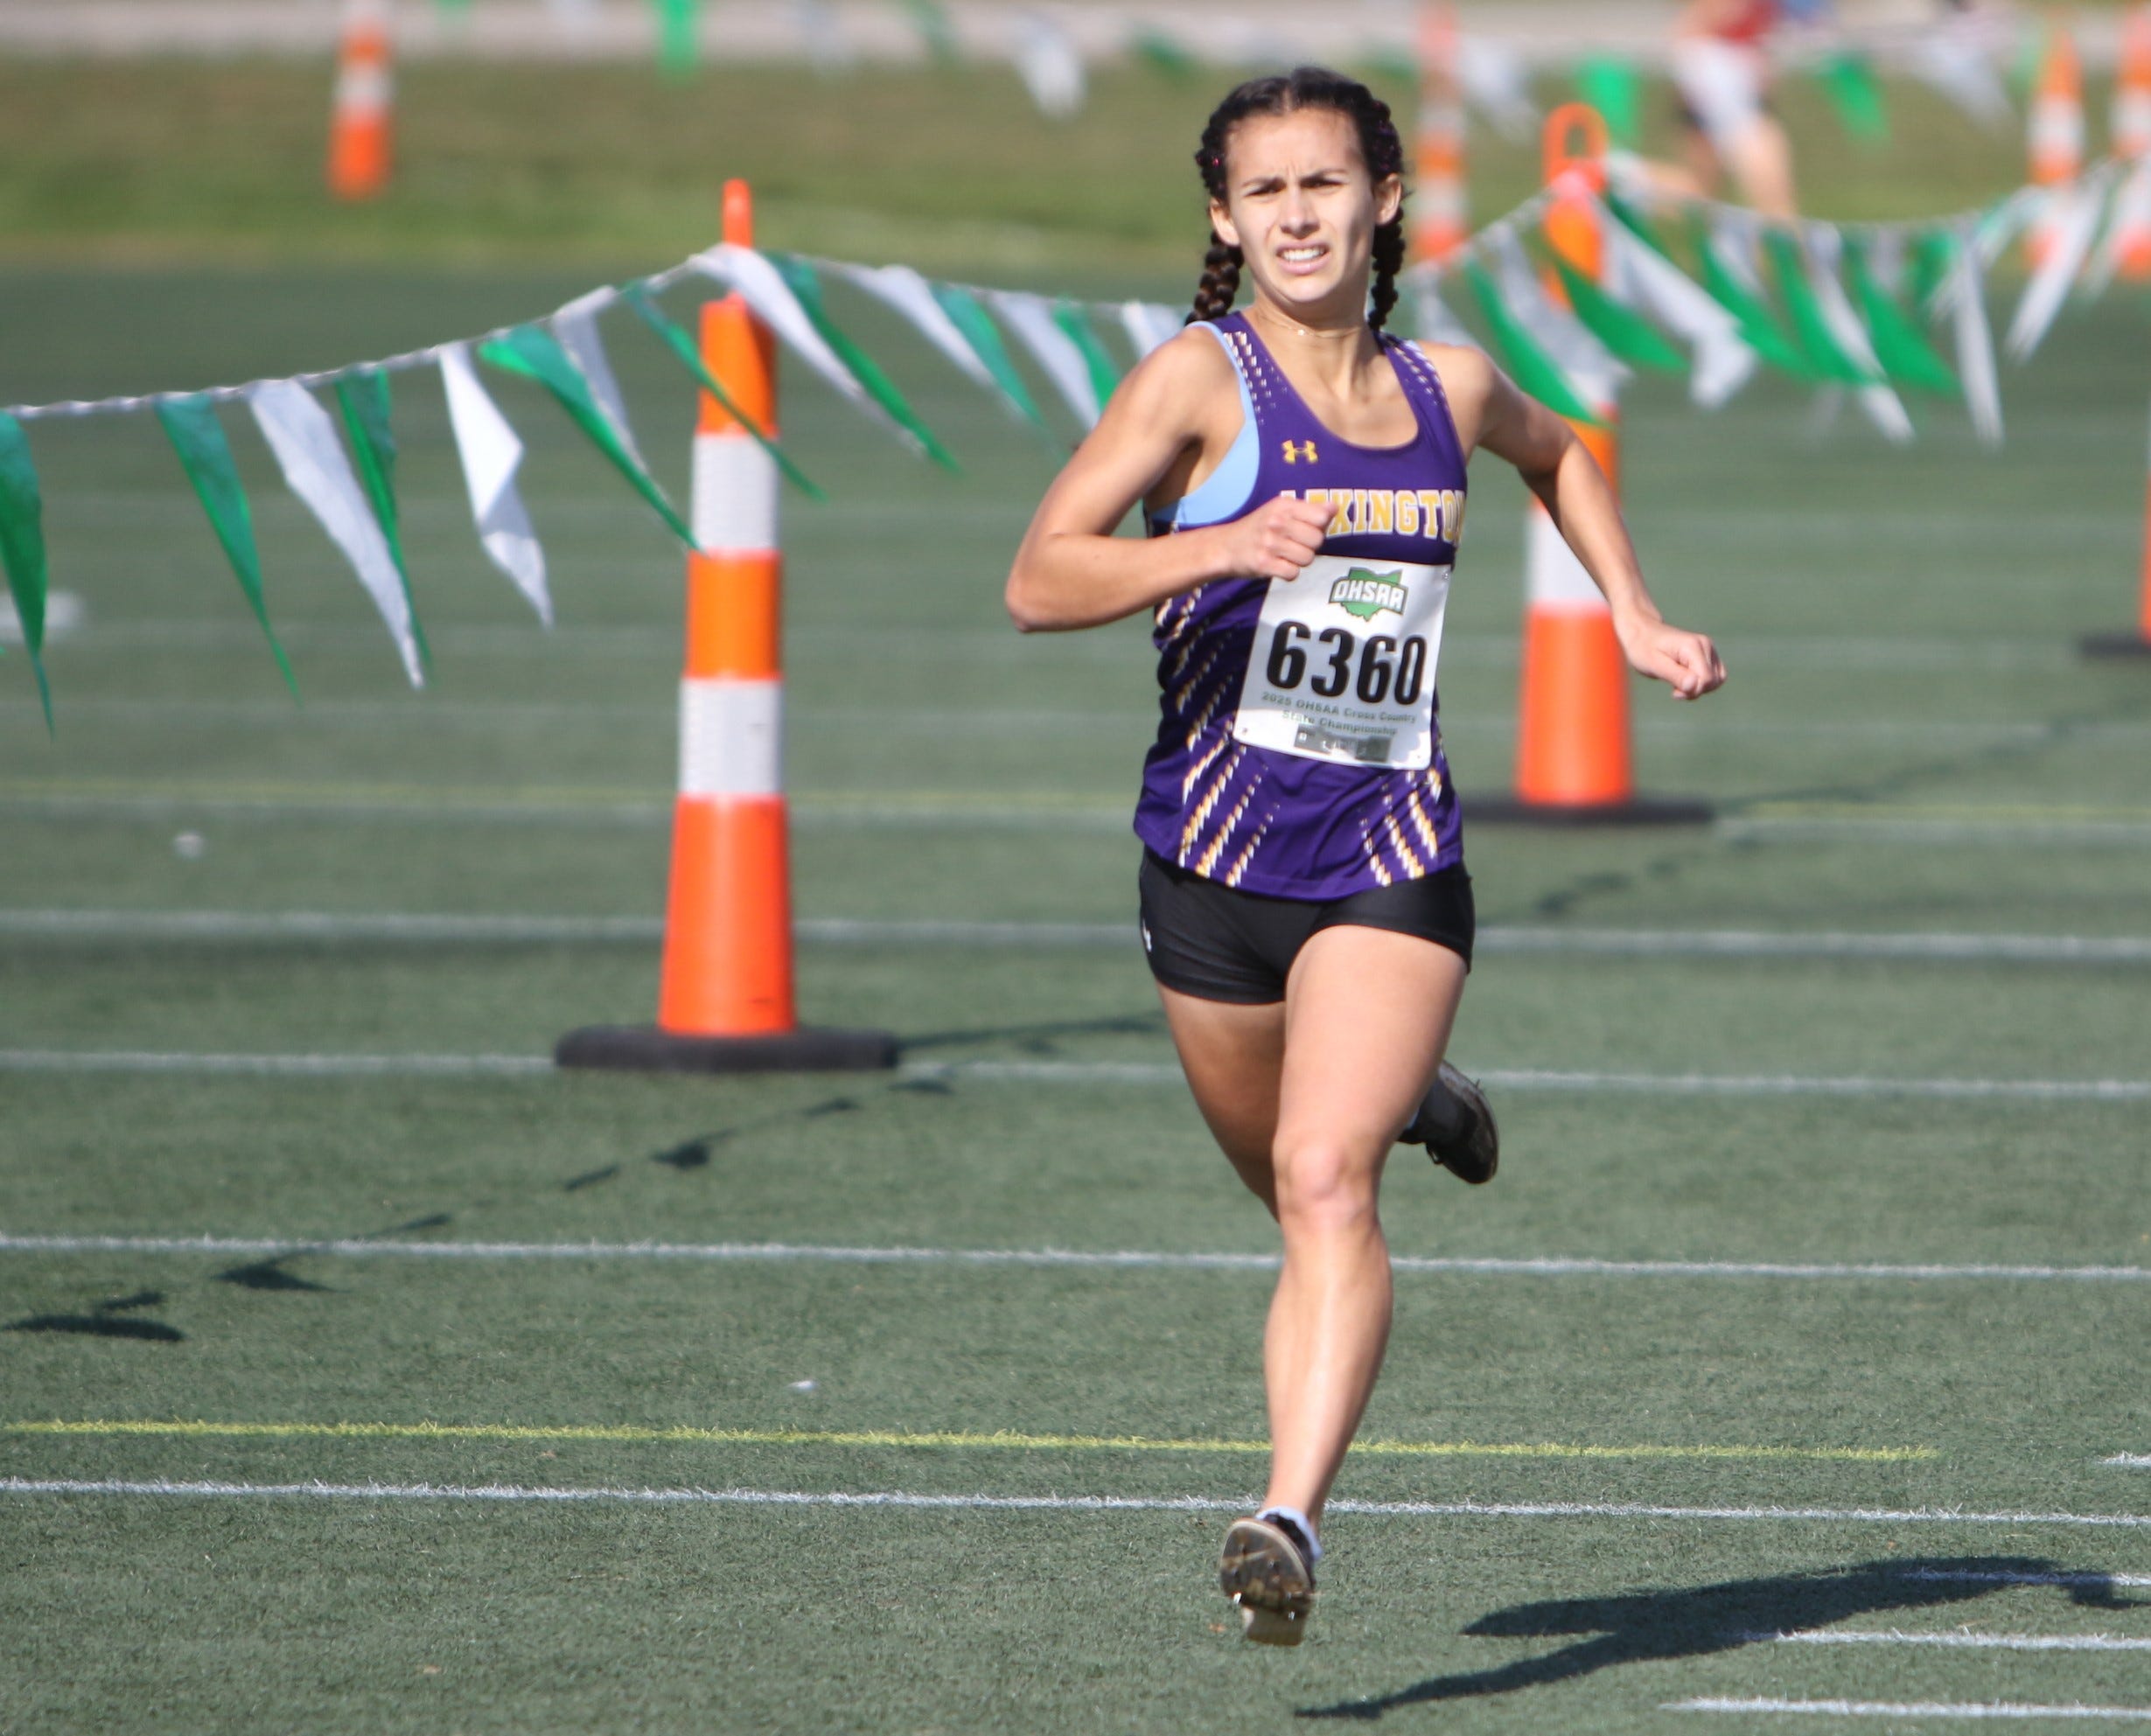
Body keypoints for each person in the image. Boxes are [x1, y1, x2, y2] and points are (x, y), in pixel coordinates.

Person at [1002, 66, 1726, 1646]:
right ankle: (1410, 1093)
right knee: (1286, 1181)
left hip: (1387, 856)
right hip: (1207, 870)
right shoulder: (1194, 383)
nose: (1295, 217)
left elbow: (1561, 452)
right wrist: (1215, 543)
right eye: (1263, 191)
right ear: (1222, 218)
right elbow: (1038, 579)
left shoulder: (1445, 390)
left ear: (1382, 200)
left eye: (1322, 183)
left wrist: (1629, 612)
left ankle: (1285, 1520)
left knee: (1323, 1180)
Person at [1666, 0, 1810, 219]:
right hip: (1719, 67)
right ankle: (1617, 175)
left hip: (1712, 62)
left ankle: (1622, 173)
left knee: (1699, 190)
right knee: (1773, 194)